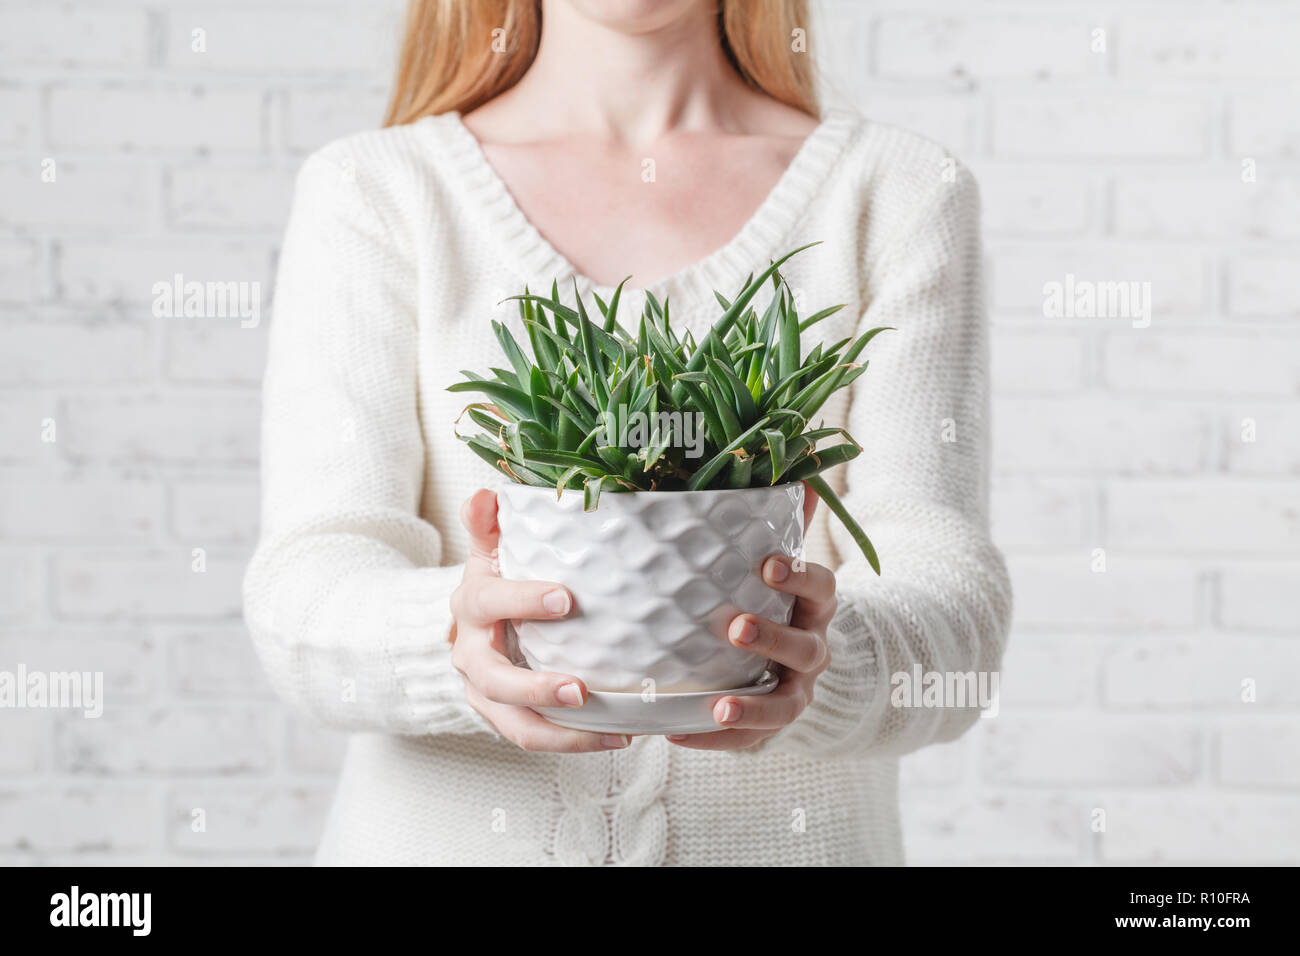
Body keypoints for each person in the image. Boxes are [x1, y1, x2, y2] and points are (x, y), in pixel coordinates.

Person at [244, 0, 1012, 866]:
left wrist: (818, 661)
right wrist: (455, 640)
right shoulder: (377, 189)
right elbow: (304, 585)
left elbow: (957, 616)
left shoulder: (896, 191)